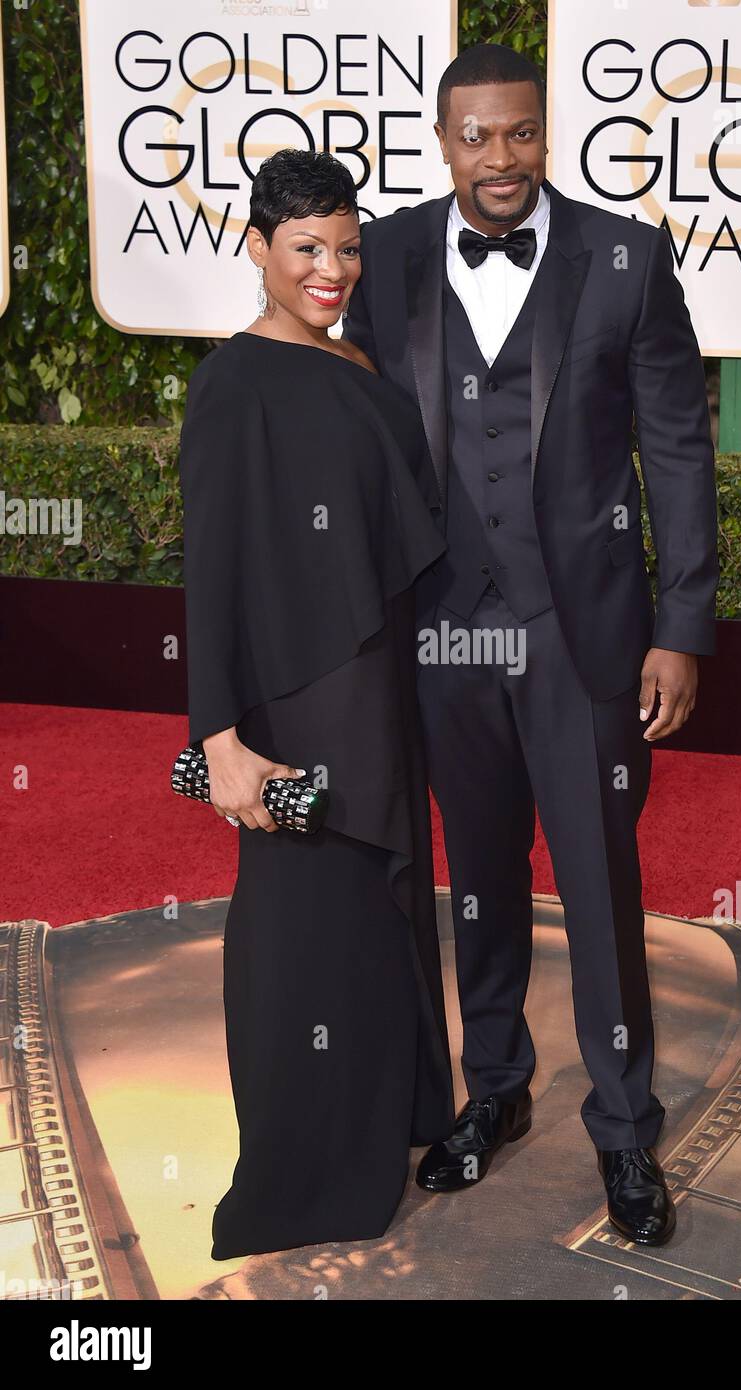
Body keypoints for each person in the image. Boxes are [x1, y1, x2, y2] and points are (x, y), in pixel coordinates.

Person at [343, 44, 719, 1246]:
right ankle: (493, 1090)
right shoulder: (391, 251)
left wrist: (681, 625)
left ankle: (623, 1130)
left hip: (582, 629)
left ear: (544, 135)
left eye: (519, 135)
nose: (498, 160)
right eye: (474, 137)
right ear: (442, 140)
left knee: (599, 883)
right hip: (442, 622)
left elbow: (675, 449)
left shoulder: (625, 256)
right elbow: (352, 435)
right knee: (481, 877)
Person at [177, 149, 454, 1261]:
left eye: (345, 247)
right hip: (293, 701)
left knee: (378, 908)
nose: (331, 268)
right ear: (256, 248)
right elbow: (212, 567)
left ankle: (385, 1121)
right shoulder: (233, 382)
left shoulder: (351, 361)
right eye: (306, 249)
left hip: (374, 682)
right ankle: (301, 1173)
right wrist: (221, 738)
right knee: (301, 930)